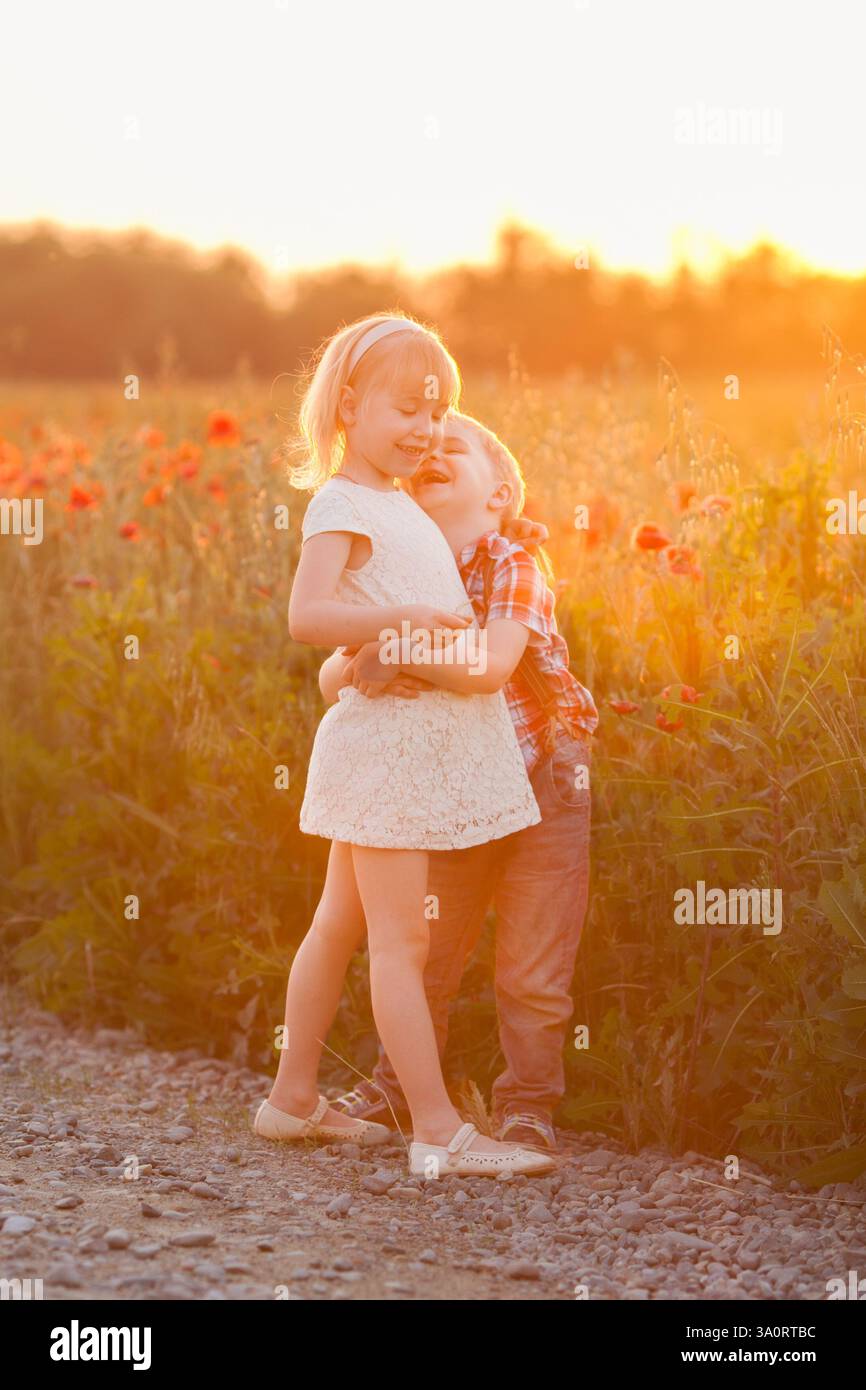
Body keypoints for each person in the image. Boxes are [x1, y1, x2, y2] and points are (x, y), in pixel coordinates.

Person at [252, 314, 553, 1178]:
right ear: (349, 402)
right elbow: (307, 618)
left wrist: (400, 641)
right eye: (408, 410)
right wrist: (405, 622)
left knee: (336, 925)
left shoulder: (391, 501)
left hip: (398, 747)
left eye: (439, 412)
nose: (425, 429)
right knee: (401, 945)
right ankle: (437, 1131)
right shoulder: (343, 502)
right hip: (386, 754)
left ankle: (293, 1099)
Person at [324, 411, 598, 1152]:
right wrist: (361, 662)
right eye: (423, 451)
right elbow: (332, 674)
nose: (433, 450)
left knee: (531, 969)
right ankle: (399, 1089)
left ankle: (529, 1105)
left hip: (544, 785)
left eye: (456, 448)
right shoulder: (397, 574)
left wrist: (396, 657)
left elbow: (489, 669)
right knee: (425, 952)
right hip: (451, 792)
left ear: (501, 492)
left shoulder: (514, 562)